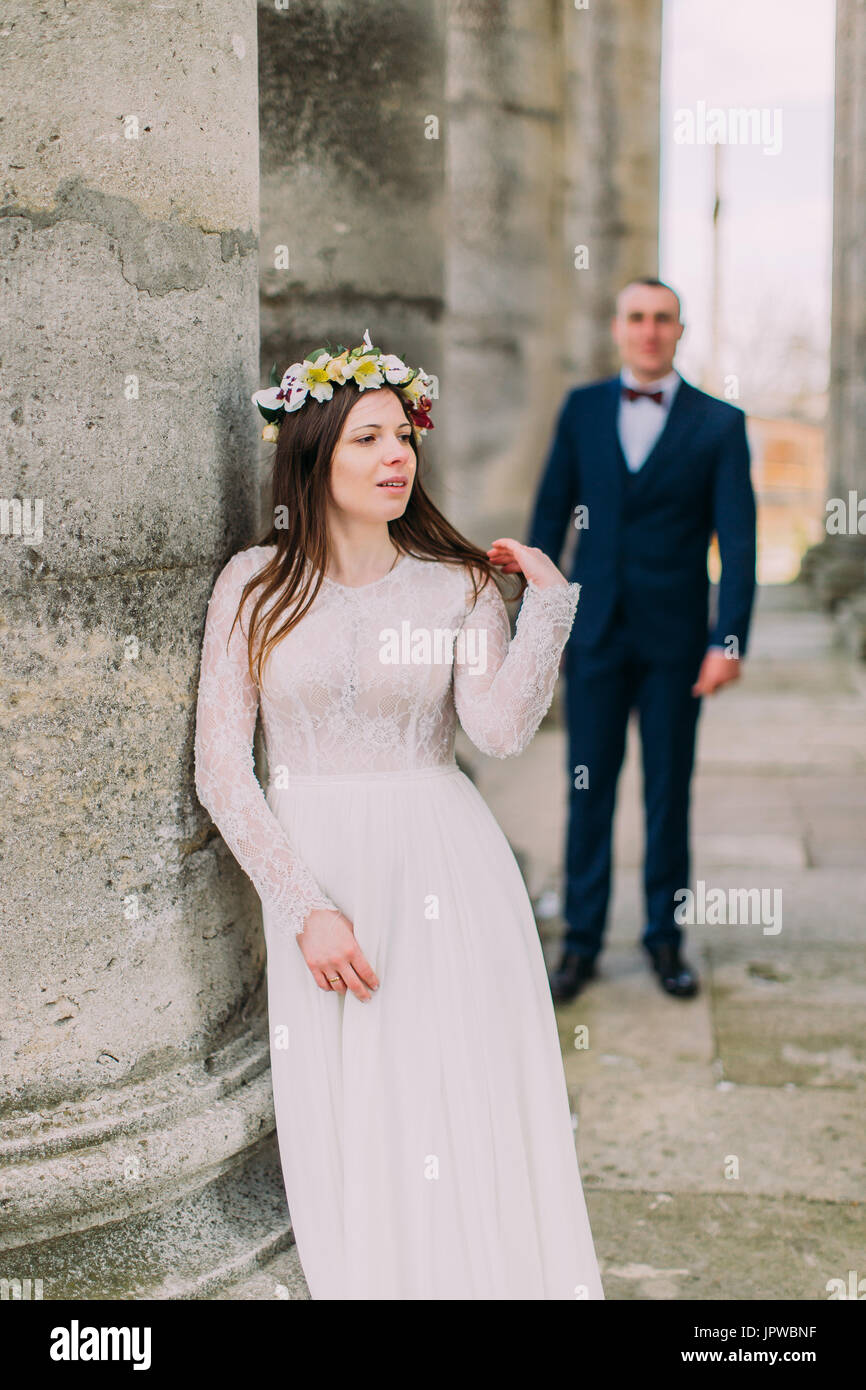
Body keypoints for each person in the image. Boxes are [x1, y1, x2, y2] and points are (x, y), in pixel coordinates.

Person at [193, 331, 603, 1299]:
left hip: (444, 866)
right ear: (313, 454)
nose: (394, 457)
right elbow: (221, 768)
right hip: (320, 871)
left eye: (401, 437)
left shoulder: (455, 583)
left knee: (450, 1089)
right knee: (349, 1102)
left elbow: (496, 731)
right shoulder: (250, 585)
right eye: (366, 438)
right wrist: (304, 905)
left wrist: (543, 608)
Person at [528, 279, 757, 1003]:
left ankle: (665, 939)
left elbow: (741, 547)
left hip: (676, 644)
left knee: (668, 794)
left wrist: (728, 640)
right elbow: (546, 522)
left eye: (662, 319)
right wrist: (537, 624)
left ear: (679, 331)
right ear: (618, 328)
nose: (649, 331)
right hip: (594, 638)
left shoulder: (720, 424)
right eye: (637, 318)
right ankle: (581, 943)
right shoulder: (583, 409)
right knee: (586, 791)